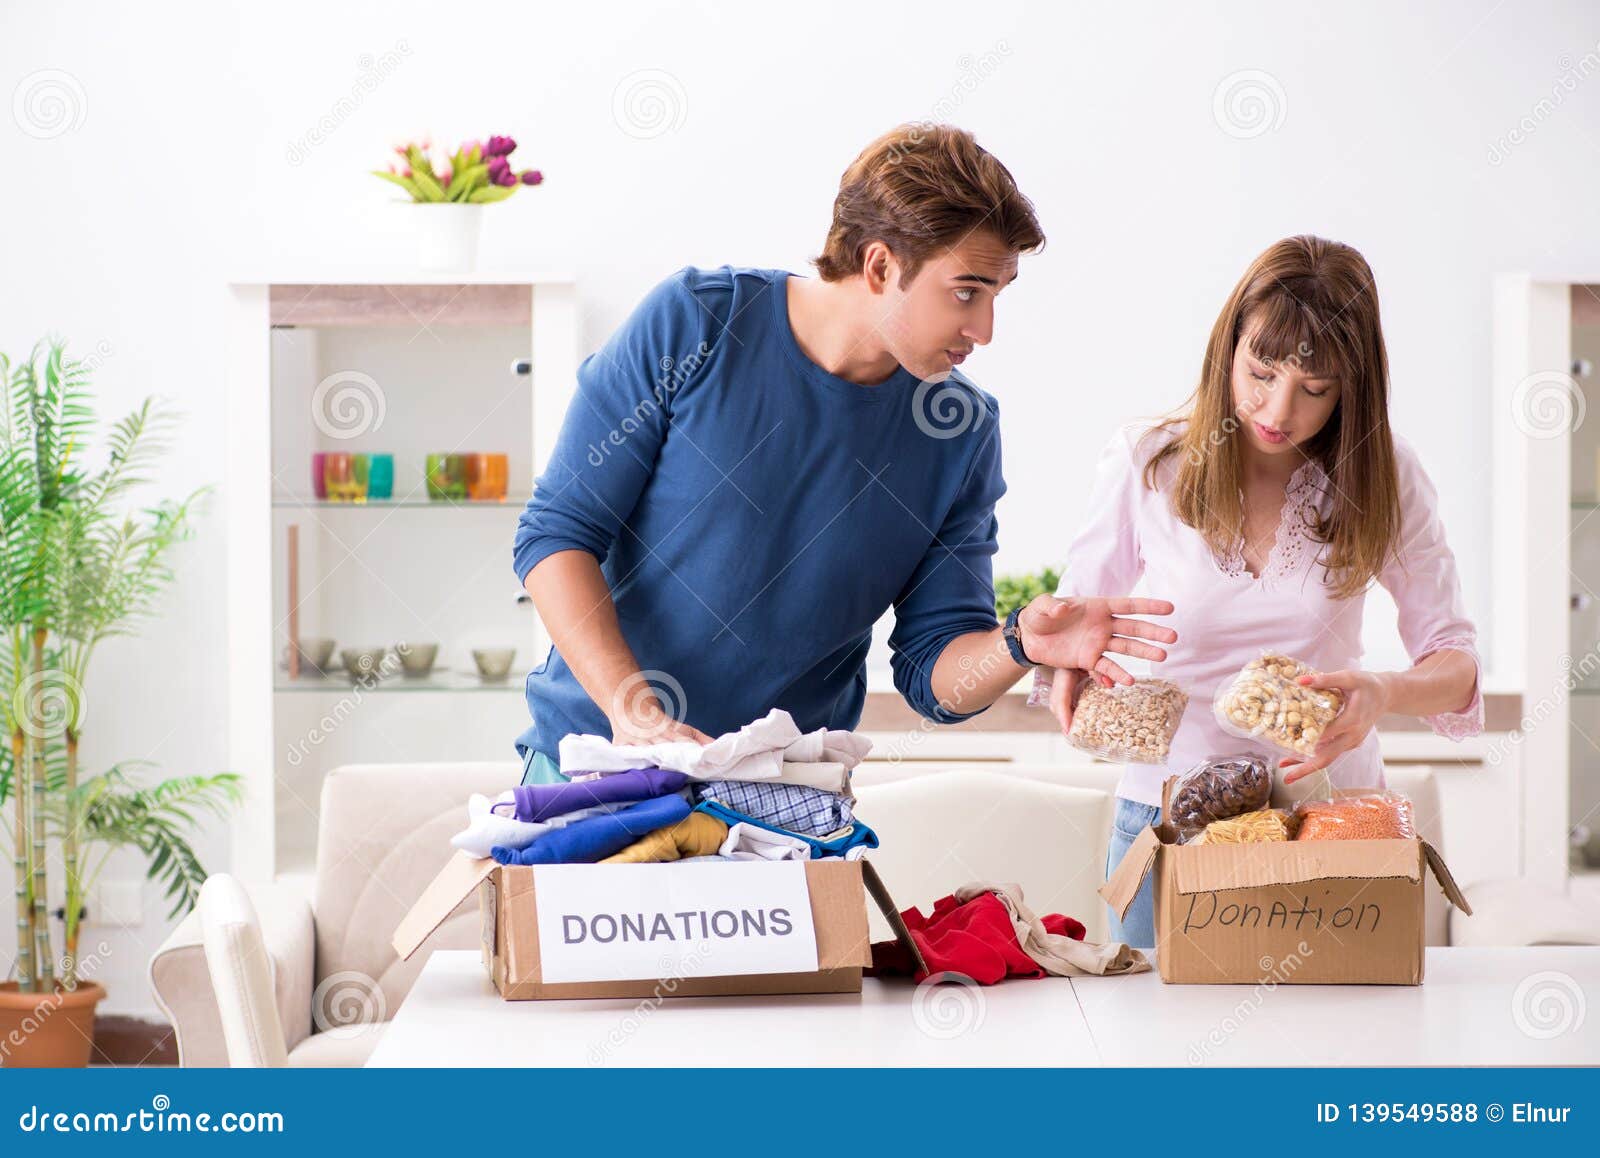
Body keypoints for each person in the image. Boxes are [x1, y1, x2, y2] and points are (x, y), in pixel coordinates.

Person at [511, 122, 1176, 784]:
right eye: (967, 292)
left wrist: (1017, 644)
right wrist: (636, 712)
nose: (985, 330)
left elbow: (933, 674)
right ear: (881, 265)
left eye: (997, 296)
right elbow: (558, 534)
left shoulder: (959, 430)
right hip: (595, 762)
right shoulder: (697, 323)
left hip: (783, 793)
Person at [1033, 235, 1483, 948]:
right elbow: (1072, 629)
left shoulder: (1386, 474)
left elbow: (1454, 664)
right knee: (1156, 1044)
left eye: (1315, 389)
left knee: (1341, 1045)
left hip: (1332, 817)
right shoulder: (1149, 462)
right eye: (1260, 371)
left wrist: (1383, 693)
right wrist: (1065, 661)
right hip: (1170, 823)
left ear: (1352, 388)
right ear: (1228, 349)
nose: (1278, 409)